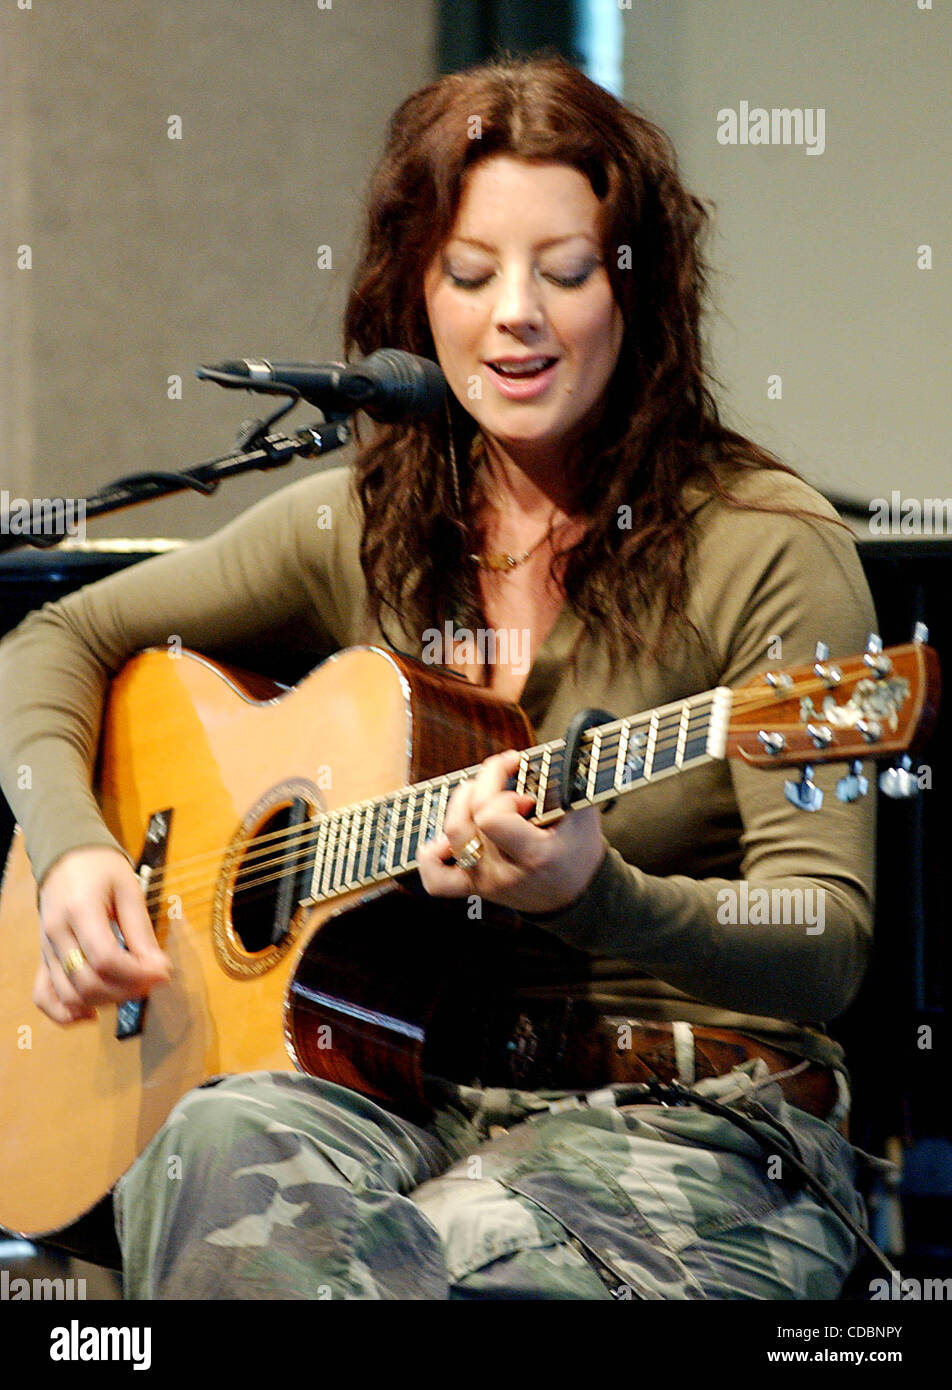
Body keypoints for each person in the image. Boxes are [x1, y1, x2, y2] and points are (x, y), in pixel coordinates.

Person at [0, 55, 878, 1300]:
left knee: (442, 1258)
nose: (512, 311)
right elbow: (49, 640)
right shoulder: (361, 522)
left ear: (639, 293)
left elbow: (827, 942)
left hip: (699, 1119)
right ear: (416, 295)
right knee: (213, 1145)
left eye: (564, 271)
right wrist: (77, 848)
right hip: (409, 1092)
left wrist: (600, 893)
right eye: (469, 274)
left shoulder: (767, 546)